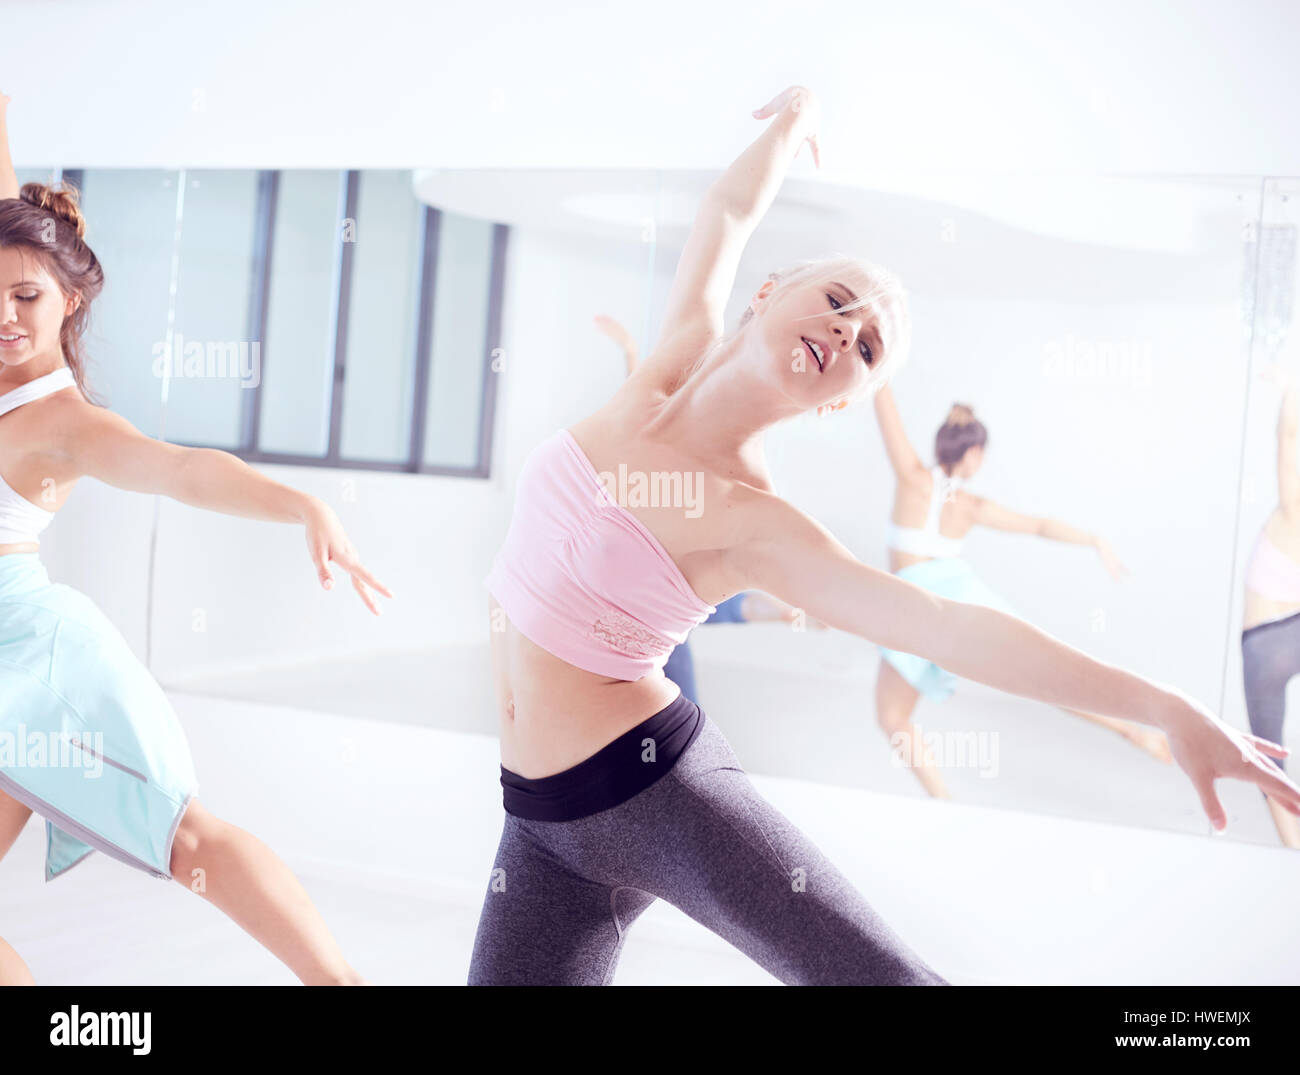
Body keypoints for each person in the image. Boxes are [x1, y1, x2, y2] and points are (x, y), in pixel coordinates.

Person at [469, 85, 1299, 986]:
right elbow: (727, 211)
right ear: (772, 291)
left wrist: (1166, 707)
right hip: (536, 824)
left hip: (651, 795)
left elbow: (947, 628)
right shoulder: (666, 363)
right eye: (837, 299)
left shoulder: (759, 522)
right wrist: (794, 122)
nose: (845, 330)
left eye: (868, 348)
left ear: (845, 403)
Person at [0, 91, 392, 985]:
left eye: (27, 296)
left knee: (185, 835)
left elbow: (180, 468)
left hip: (30, 657)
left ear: (70, 298)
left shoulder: (66, 421)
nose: (5, 317)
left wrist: (301, 504)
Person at [870, 384, 1170, 798]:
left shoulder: (913, 479)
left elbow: (885, 407)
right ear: (972, 454)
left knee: (892, 717)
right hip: (954, 607)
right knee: (1040, 676)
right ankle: (1129, 729)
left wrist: (875, 358)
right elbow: (1039, 526)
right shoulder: (972, 506)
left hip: (915, 614)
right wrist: (1095, 539)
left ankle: (944, 801)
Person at [595, 312, 820, 704]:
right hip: (630, 597)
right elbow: (637, 415)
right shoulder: (654, 453)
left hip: (663, 596)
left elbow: (731, 589)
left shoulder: (724, 470)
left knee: (708, 610)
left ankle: (781, 609)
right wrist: (630, 351)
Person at [1240, 363, 1300, 848]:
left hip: (1263, 645)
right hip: (1289, 634)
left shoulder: (1292, 510)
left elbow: (1286, 443)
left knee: (1267, 761)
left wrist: (1290, 391)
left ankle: (1295, 852)